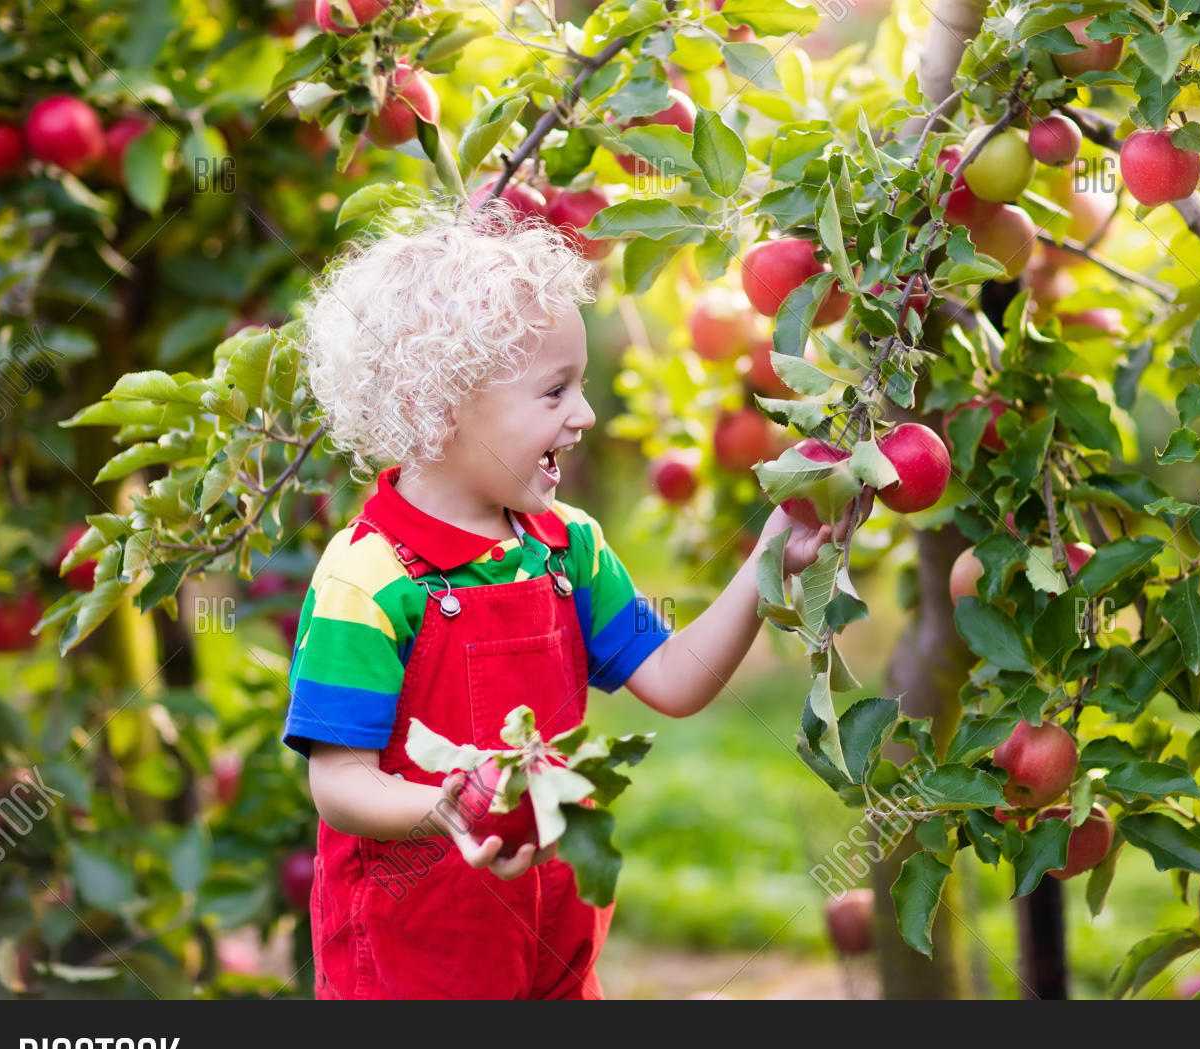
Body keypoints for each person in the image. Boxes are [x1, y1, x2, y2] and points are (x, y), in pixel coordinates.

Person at [282, 193, 845, 999]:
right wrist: (452, 806)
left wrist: (767, 563)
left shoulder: (566, 549)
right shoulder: (368, 579)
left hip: (556, 942)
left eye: (580, 385)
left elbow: (677, 679)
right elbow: (340, 784)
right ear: (435, 411)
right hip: (417, 967)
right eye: (554, 393)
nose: (584, 414)